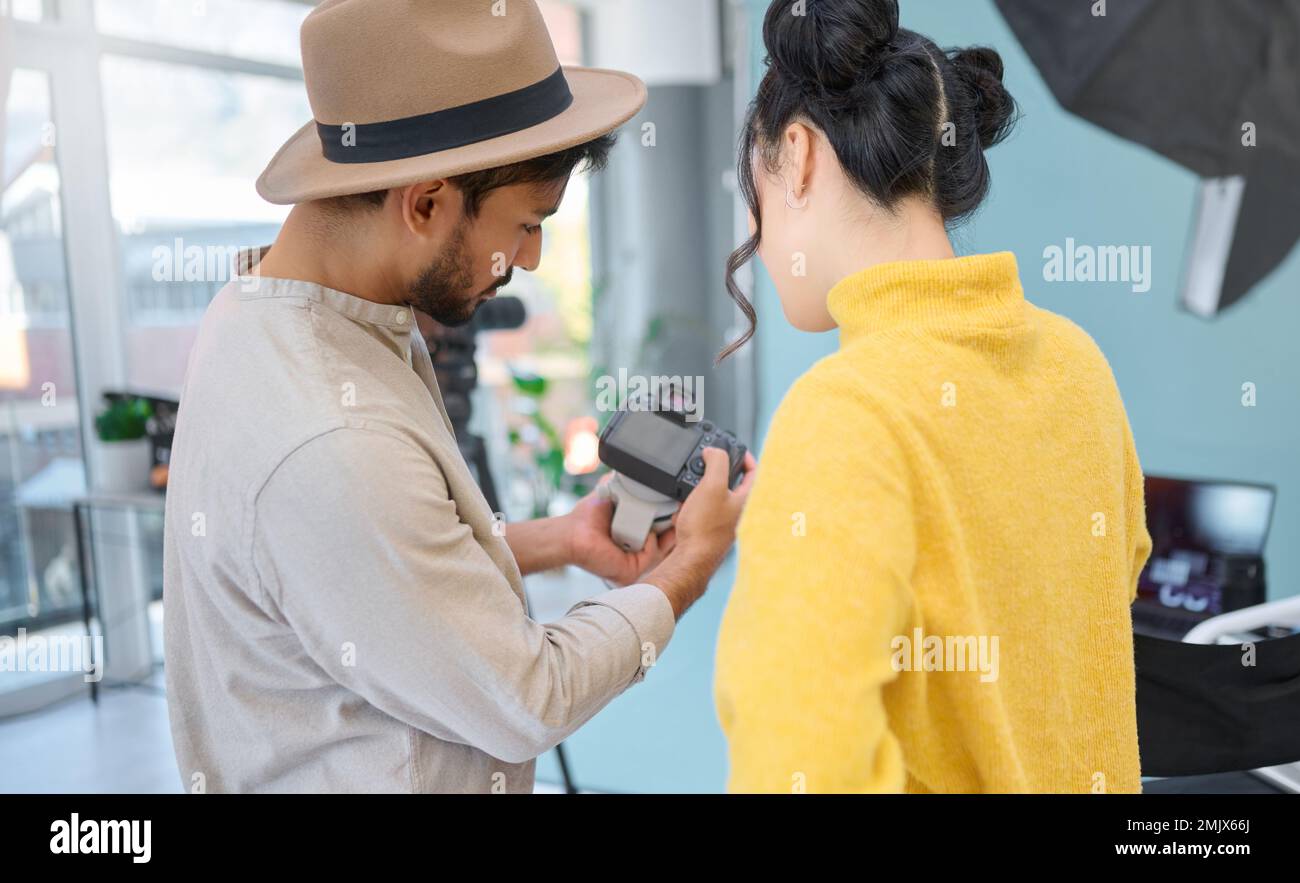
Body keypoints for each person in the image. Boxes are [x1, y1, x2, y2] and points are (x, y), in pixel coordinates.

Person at [163, 0, 753, 794]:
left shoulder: (258, 309)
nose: (533, 259)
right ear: (428, 203)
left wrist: (559, 540)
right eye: (528, 224)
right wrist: (690, 566)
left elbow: (368, 576)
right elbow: (527, 695)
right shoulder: (334, 436)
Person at [713, 0, 1152, 793]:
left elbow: (799, 768)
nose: (757, 241)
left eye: (757, 194)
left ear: (801, 157)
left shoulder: (844, 416)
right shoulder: (1079, 368)